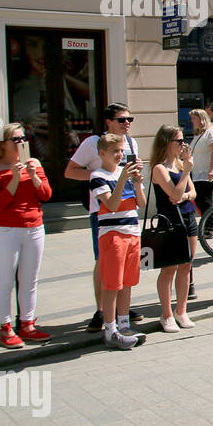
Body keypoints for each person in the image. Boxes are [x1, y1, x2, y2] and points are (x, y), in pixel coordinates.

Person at [65, 103, 143, 332]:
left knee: (124, 267)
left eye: (130, 119)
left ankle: (121, 312)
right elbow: (70, 171)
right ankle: (101, 311)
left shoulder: (131, 142)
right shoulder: (92, 143)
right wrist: (103, 177)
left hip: (127, 211)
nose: (127, 123)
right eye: (122, 119)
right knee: (104, 262)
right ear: (108, 122)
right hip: (102, 211)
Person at [0, 124, 53, 348]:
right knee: (5, 281)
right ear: (3, 143)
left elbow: (46, 194)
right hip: (6, 230)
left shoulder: (34, 163)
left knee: (29, 280)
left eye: (23, 138)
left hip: (34, 227)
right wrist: (14, 178)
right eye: (16, 139)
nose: (21, 142)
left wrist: (33, 174)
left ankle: (27, 324)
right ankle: (6, 328)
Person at [89, 133, 146, 350]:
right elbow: (111, 205)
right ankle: (110, 328)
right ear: (102, 153)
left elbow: (140, 203)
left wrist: (138, 184)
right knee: (112, 284)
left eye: (121, 151)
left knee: (127, 281)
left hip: (132, 232)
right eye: (115, 151)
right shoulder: (97, 175)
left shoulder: (124, 173)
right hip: (112, 235)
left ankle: (124, 324)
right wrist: (122, 179)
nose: (119, 155)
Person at [149, 125, 199, 332]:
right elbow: (174, 195)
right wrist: (186, 171)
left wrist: (185, 189)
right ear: (166, 143)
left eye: (183, 140)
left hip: (188, 217)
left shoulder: (180, 165)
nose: (182, 145)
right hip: (170, 221)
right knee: (169, 268)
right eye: (178, 141)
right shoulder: (159, 168)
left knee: (187, 265)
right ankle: (166, 314)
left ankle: (181, 310)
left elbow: (192, 193)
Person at [189, 108, 213, 239]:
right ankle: (208, 223)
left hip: (207, 172)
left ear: (201, 119)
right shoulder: (198, 134)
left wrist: (212, 169)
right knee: (199, 198)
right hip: (197, 172)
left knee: (204, 198)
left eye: (194, 118)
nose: (192, 121)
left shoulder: (211, 132)